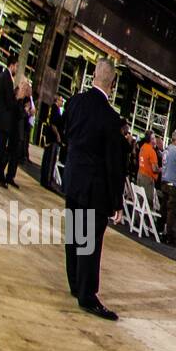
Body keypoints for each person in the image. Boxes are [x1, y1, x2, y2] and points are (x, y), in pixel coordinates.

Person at [60, 57, 126, 320]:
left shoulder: (75, 102)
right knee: (89, 242)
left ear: (94, 75)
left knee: (74, 235)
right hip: (95, 189)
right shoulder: (111, 118)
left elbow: (67, 133)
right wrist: (116, 201)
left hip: (74, 180)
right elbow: (113, 164)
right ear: (112, 84)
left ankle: (75, 284)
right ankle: (87, 295)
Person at [0, 51, 19, 186]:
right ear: (12, 65)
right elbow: (9, 101)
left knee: (1, 147)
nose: (17, 69)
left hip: (2, 118)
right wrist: (17, 98)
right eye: (17, 66)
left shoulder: (5, 76)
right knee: (1, 148)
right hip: (4, 119)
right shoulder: (7, 77)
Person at [40, 93, 65, 191]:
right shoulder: (55, 109)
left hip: (50, 138)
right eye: (61, 100)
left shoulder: (54, 109)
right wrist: (58, 135)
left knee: (48, 159)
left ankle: (45, 179)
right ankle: (47, 180)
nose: (62, 102)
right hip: (52, 138)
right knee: (50, 160)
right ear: (57, 101)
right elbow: (53, 124)